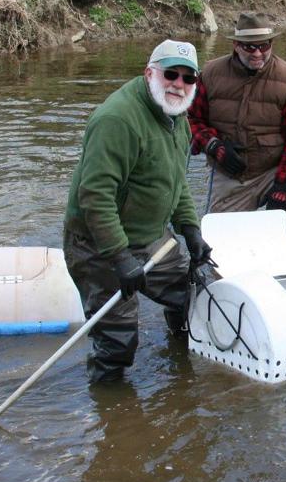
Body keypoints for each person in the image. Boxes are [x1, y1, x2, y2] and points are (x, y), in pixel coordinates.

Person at [62, 39, 214, 382]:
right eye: (170, 74)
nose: (178, 84)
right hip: (98, 244)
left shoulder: (177, 117)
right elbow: (95, 196)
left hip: (151, 237)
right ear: (149, 74)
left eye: (188, 78)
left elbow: (176, 181)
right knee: (118, 342)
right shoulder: (117, 120)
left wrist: (190, 230)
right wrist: (119, 257)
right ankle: (109, 400)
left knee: (189, 296)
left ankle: (183, 368)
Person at [187, 11, 286, 270]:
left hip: (275, 170)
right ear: (236, 45)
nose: (258, 53)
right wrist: (214, 145)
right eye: (249, 47)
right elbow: (191, 119)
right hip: (230, 174)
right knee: (218, 244)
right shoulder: (210, 73)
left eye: (264, 46)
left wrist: (283, 185)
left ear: (271, 44)